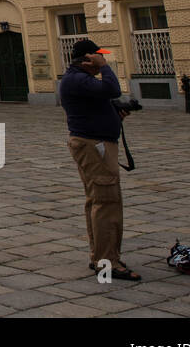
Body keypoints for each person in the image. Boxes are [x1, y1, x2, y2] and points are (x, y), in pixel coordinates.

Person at [58, 38, 140, 282]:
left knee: (100, 201)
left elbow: (99, 102)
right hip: (94, 147)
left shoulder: (81, 80)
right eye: (96, 58)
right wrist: (105, 66)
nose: (100, 63)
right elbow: (112, 89)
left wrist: (114, 115)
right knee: (106, 202)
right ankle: (107, 262)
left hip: (97, 144)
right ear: (87, 59)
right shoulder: (76, 79)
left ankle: (102, 256)